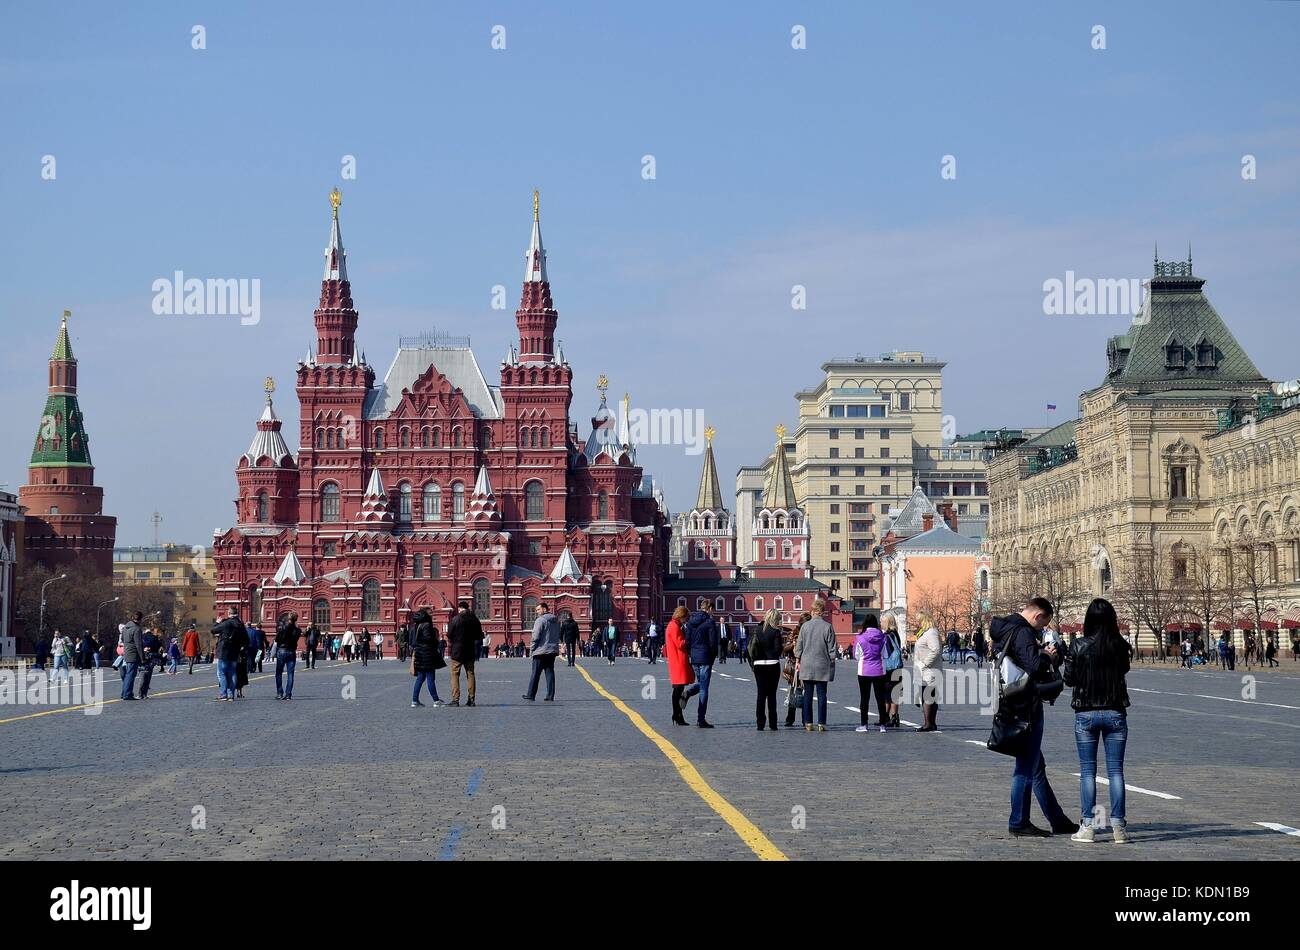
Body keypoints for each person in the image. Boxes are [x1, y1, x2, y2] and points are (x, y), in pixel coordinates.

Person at [989, 597, 1075, 838]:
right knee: (1026, 767)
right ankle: (1018, 821)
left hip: (1012, 702)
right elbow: (1034, 666)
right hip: (1026, 706)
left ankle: (1057, 819)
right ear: (1038, 616)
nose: (1042, 630)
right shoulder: (1023, 632)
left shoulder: (1005, 628)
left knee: (1035, 766)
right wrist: (1047, 655)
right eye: (1043, 625)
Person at [1062, 597, 1132, 844]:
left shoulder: (1078, 645)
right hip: (1115, 712)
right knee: (1116, 772)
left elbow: (1068, 680)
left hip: (1086, 713)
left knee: (1088, 772)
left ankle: (1088, 827)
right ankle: (1119, 828)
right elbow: (1123, 671)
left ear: (1088, 620)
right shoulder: (1120, 645)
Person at [795, 600, 837, 732]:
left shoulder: (805, 626)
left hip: (807, 665)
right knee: (822, 695)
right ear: (823, 611)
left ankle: (808, 723)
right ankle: (821, 723)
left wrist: (798, 660)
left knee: (807, 694)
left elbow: (799, 647)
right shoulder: (828, 626)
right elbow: (832, 649)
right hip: (822, 665)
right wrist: (832, 660)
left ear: (812, 611)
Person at [678, 604, 719, 728]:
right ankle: (701, 719)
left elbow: (688, 641)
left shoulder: (690, 622)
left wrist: (692, 654)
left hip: (695, 657)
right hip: (706, 656)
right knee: (704, 688)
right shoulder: (710, 622)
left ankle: (688, 693)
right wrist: (713, 656)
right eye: (713, 609)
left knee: (702, 684)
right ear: (709, 609)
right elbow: (713, 642)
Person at [853, 615, 890, 733]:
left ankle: (864, 724)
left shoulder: (859, 638)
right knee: (880, 698)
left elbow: (856, 655)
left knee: (864, 698)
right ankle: (883, 724)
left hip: (864, 671)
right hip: (879, 671)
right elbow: (886, 655)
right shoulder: (883, 637)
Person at [751, 609, 784, 731]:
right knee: (771, 695)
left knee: (760, 695)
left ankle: (760, 723)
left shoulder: (757, 630)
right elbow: (778, 650)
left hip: (758, 665)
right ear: (774, 619)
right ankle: (773, 723)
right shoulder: (775, 632)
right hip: (772, 664)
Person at [446, 601, 483, 707]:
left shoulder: (455, 619)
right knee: (470, 674)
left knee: (455, 674)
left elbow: (449, 634)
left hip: (457, 651)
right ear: (468, 608)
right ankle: (471, 700)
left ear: (460, 608)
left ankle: (455, 700)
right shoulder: (474, 619)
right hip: (470, 650)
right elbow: (479, 635)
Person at [523, 602, 561, 701]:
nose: (537, 612)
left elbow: (535, 636)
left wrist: (532, 649)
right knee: (550, 673)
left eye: (538, 609)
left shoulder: (540, 620)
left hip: (540, 651)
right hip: (552, 650)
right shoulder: (556, 620)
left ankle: (531, 694)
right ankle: (550, 695)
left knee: (535, 673)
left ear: (544, 609)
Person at [665, 606, 694, 726]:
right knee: (678, 691)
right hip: (678, 661)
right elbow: (680, 643)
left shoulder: (674, 625)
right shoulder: (674, 627)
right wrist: (689, 639)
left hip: (677, 660)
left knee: (678, 690)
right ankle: (677, 715)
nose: (686, 620)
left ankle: (677, 715)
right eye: (685, 618)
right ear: (681, 616)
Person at [409, 608, 444, 707]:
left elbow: (413, 641)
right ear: (426, 616)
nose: (432, 615)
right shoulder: (427, 626)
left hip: (419, 655)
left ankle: (414, 701)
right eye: (430, 613)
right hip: (428, 655)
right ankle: (436, 701)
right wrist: (436, 641)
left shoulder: (416, 626)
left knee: (420, 678)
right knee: (430, 678)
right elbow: (429, 639)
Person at [211, 608, 249, 702]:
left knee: (222, 673)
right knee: (232, 673)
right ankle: (231, 694)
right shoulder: (240, 625)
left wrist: (217, 622)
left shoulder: (226, 623)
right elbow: (246, 640)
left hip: (224, 652)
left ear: (229, 613)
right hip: (235, 652)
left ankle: (223, 694)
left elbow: (213, 630)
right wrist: (241, 647)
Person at [913, 615, 942, 732]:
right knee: (930, 697)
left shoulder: (931, 633)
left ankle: (928, 723)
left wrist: (924, 663)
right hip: (927, 670)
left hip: (929, 670)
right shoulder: (927, 633)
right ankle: (931, 723)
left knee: (927, 697)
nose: (917, 623)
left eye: (919, 621)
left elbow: (935, 650)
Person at [274, 612, 302, 700]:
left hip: (282, 650)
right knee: (290, 674)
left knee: (279, 673)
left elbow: (277, 639)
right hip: (292, 652)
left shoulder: (283, 627)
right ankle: (288, 694)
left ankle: (279, 693)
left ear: (289, 618)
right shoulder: (298, 630)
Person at [119, 614, 145, 700]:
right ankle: (127, 694)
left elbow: (122, 639)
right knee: (131, 674)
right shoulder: (137, 629)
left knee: (128, 674)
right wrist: (142, 657)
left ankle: (124, 693)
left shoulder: (126, 627)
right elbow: (139, 644)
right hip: (134, 653)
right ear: (140, 619)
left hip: (127, 652)